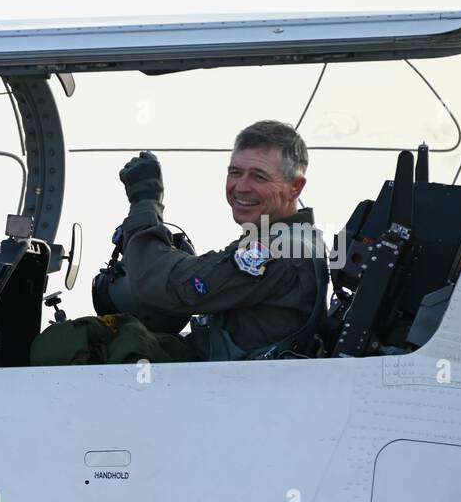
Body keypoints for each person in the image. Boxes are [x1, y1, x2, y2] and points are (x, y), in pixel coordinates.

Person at [116, 120, 326, 361]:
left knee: (97, 344)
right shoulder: (296, 240)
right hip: (233, 381)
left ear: (295, 188)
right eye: (235, 173)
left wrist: (145, 204)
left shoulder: (279, 249)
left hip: (239, 390)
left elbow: (168, 286)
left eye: (259, 177)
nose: (241, 187)